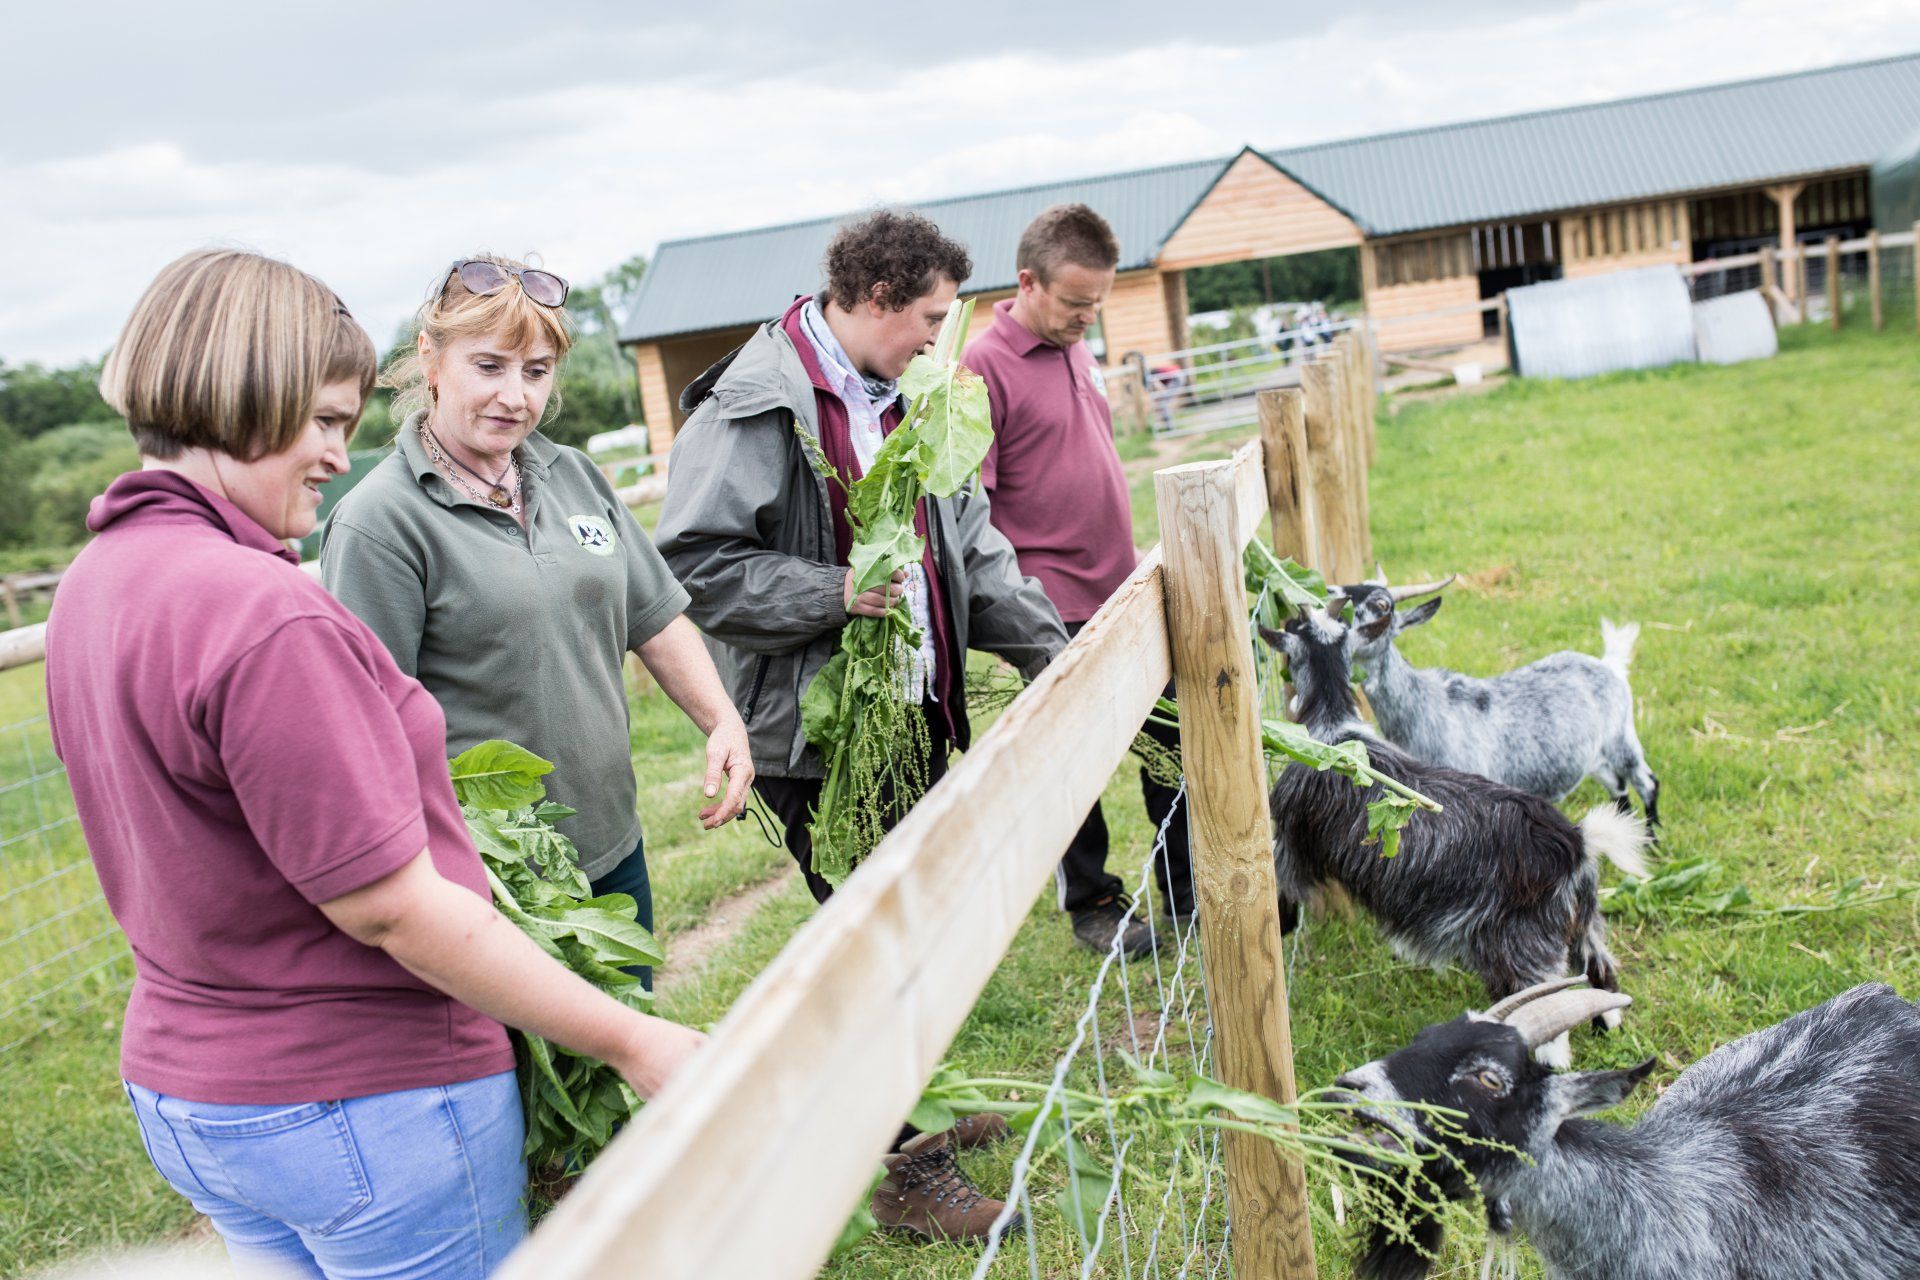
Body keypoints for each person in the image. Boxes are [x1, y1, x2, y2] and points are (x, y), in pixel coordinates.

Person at [46, 249, 703, 1279]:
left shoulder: (99, 578)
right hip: (359, 1100)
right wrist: (631, 1037)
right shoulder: (263, 612)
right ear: (241, 394)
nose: (333, 454)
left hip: (197, 1094)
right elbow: (388, 905)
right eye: (320, 422)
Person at [653, 209, 1067, 1243]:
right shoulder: (756, 402)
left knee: (921, 933)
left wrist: (1050, 654)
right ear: (874, 301)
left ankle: (919, 1101)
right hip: (821, 738)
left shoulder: (912, 396)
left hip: (913, 712)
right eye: (928, 317)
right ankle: (901, 1174)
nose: (940, 338)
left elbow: (967, 542)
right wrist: (835, 589)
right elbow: (695, 566)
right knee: (877, 947)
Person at [322, 256, 753, 990]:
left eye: (537, 371)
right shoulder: (379, 524)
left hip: (611, 845)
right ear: (430, 356)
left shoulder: (572, 476)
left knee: (629, 1070)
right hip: (491, 882)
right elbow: (367, 735)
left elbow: (653, 614)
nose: (514, 397)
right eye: (488, 366)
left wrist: (723, 720)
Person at [963, 204, 1193, 959]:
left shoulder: (1078, 345)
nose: (1087, 317)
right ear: (1027, 282)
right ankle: (1095, 902)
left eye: (1098, 302)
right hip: (1046, 606)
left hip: (1122, 584)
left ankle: (1188, 885)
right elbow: (973, 507)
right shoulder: (982, 369)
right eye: (1073, 303)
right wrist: (1009, 613)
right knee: (1073, 765)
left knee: (1171, 742)